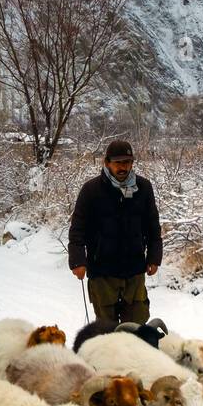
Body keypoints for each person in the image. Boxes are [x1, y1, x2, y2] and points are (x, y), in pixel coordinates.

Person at [67, 139, 162, 325]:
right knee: (106, 330)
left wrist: (154, 257)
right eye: (118, 163)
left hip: (134, 270)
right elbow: (77, 229)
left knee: (136, 327)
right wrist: (78, 261)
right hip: (102, 272)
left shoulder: (144, 188)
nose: (122, 167)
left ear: (132, 163)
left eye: (127, 162)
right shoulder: (90, 190)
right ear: (107, 162)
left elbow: (153, 226)